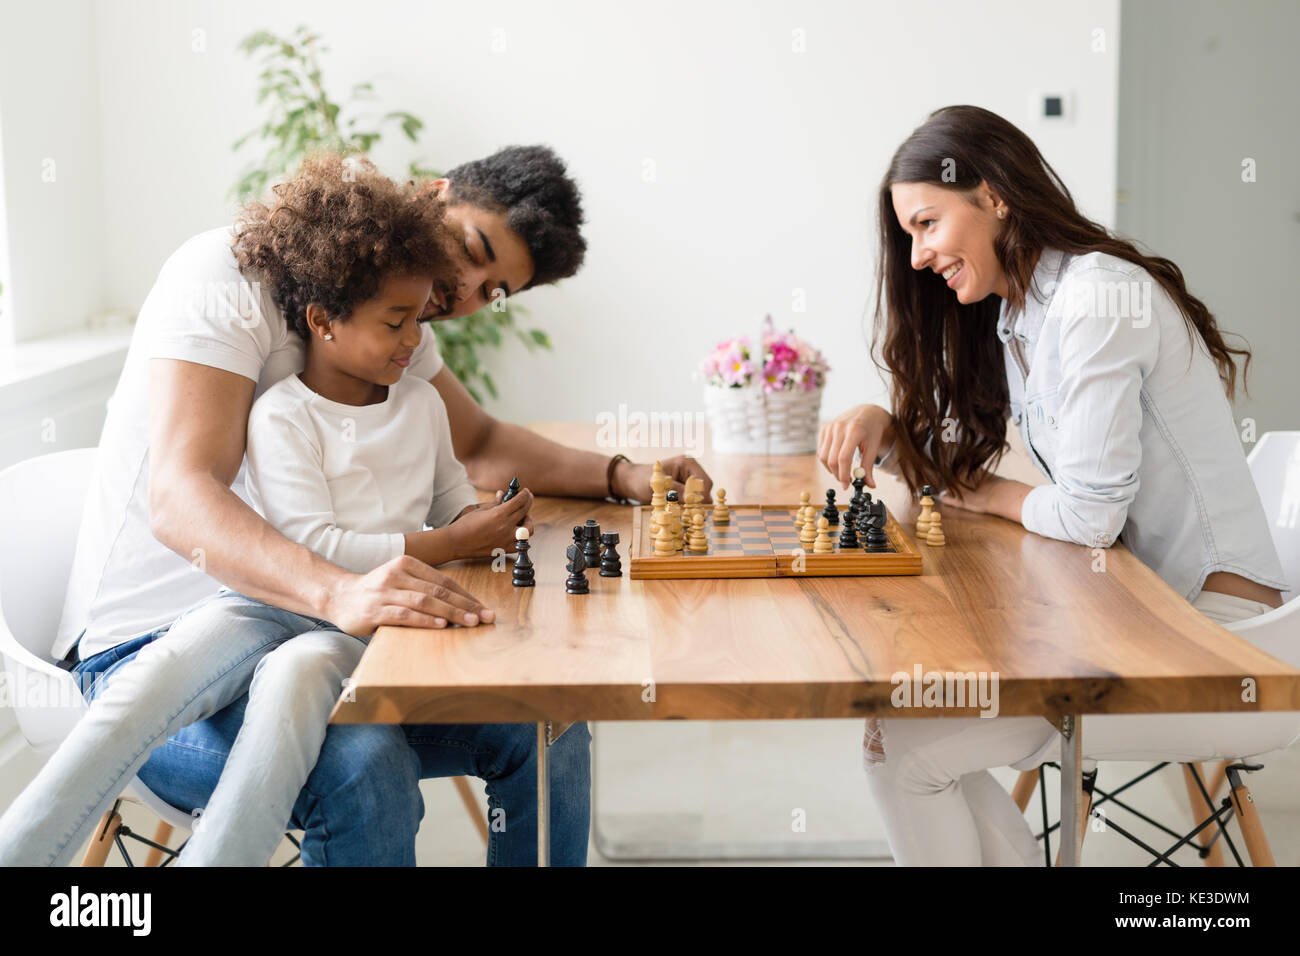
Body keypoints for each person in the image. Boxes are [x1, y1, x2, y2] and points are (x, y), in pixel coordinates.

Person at [6, 144, 709, 866]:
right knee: (365, 768)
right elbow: (184, 501)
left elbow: (483, 441)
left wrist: (623, 475)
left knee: (544, 719)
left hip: (315, 637)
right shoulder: (221, 280)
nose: (464, 294)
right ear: (432, 197)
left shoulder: (393, 326)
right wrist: (338, 588)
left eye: (493, 291)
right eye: (473, 252)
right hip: (156, 642)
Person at [817, 105, 1293, 866]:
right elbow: (976, 466)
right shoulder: (1029, 310)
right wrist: (890, 425)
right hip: (1143, 620)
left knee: (903, 749)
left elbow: (1092, 514)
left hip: (1213, 643)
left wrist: (987, 496)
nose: (916, 257)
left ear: (995, 196)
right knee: (908, 730)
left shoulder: (1098, 298)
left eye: (928, 224)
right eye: (910, 233)